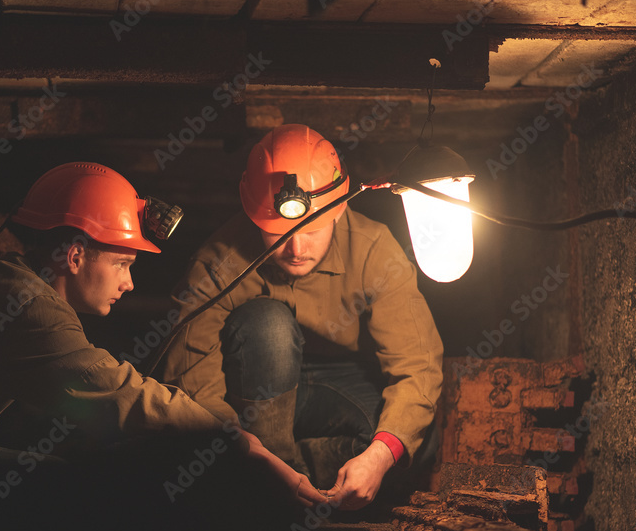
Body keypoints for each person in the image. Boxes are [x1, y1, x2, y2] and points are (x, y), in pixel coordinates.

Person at [0, 161, 325, 506]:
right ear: (76, 256)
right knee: (67, 491)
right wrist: (242, 445)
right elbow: (123, 394)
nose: (129, 283)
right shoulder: (28, 306)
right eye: (122, 264)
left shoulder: (14, 283)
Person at [163, 125, 444, 510]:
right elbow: (192, 384)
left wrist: (378, 457)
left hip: (336, 384)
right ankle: (270, 487)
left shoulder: (374, 249)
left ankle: (301, 478)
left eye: (310, 229)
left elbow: (419, 367)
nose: (295, 248)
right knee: (269, 327)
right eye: (277, 233)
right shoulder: (218, 262)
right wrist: (248, 451)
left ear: (339, 209)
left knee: (414, 442)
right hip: (249, 390)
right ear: (252, 216)